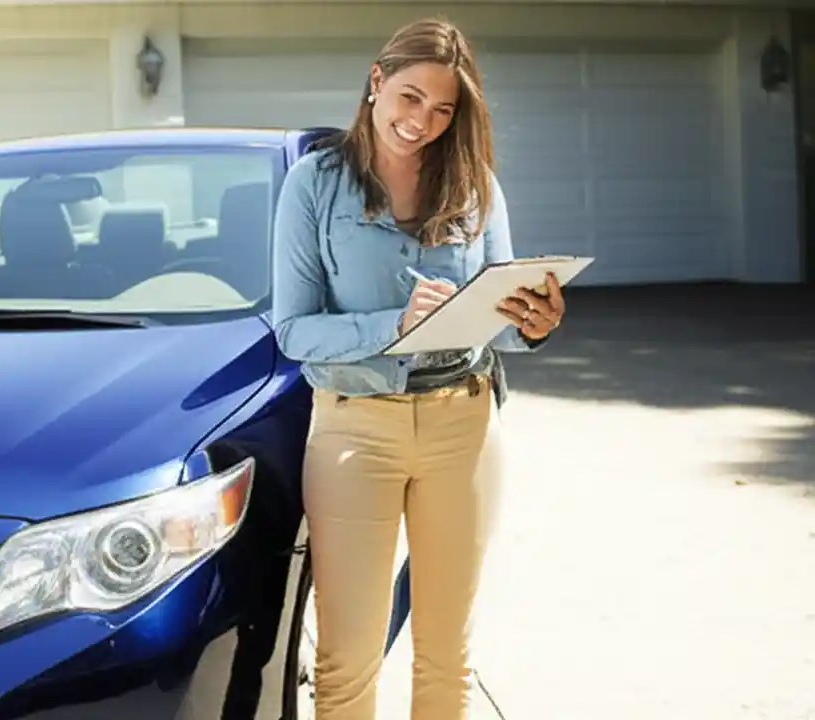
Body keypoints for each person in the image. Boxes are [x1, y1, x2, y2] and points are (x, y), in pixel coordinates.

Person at [269, 17, 567, 720]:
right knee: (348, 656)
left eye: (441, 110)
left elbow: (503, 317)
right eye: (409, 98)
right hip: (352, 431)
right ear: (376, 82)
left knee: (447, 653)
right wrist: (394, 326)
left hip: (462, 425)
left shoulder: (476, 185)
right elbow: (292, 331)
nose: (422, 123)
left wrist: (535, 324)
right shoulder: (315, 185)